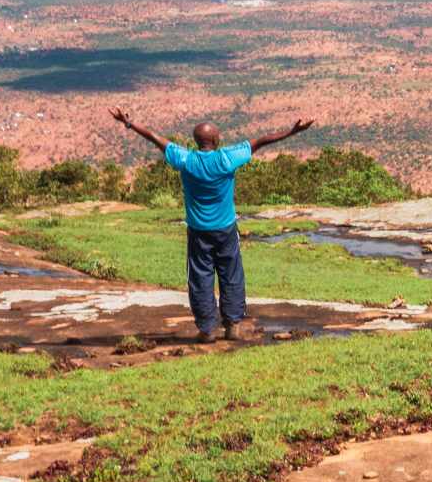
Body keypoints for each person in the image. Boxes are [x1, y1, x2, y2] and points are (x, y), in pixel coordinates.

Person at [109, 109, 314, 342]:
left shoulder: (186, 160)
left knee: (200, 278)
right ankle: (232, 326)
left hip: (198, 231)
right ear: (216, 140)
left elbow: (156, 139)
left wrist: (129, 123)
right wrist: (292, 132)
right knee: (231, 275)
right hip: (226, 229)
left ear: (196, 141)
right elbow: (261, 141)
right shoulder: (226, 159)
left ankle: (207, 330)